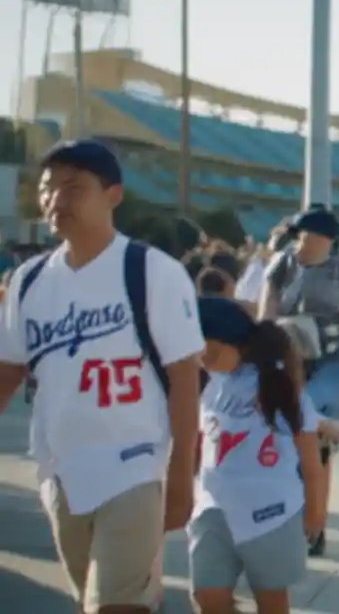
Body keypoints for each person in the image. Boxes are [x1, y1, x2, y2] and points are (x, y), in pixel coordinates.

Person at [0, 139, 205, 614]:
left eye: (74, 187)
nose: (57, 200)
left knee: (114, 606)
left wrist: (180, 477)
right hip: (62, 468)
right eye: (49, 188)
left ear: (113, 194)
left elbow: (183, 379)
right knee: (90, 599)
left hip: (135, 464)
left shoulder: (151, 271)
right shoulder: (29, 280)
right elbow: (9, 370)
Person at [188, 297, 325, 614]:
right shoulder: (209, 385)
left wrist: (315, 510)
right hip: (213, 507)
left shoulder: (279, 386)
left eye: (211, 352)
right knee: (207, 597)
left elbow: (309, 459)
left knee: (272, 602)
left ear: (236, 341)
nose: (204, 361)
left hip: (272, 512)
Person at [258, 206, 339, 557]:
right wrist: (261, 364)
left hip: (330, 361)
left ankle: (316, 523)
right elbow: (266, 318)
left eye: (313, 236)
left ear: (328, 239)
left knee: (319, 441)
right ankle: (293, 517)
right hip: (290, 362)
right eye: (302, 236)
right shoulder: (282, 265)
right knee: (288, 440)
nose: (306, 243)